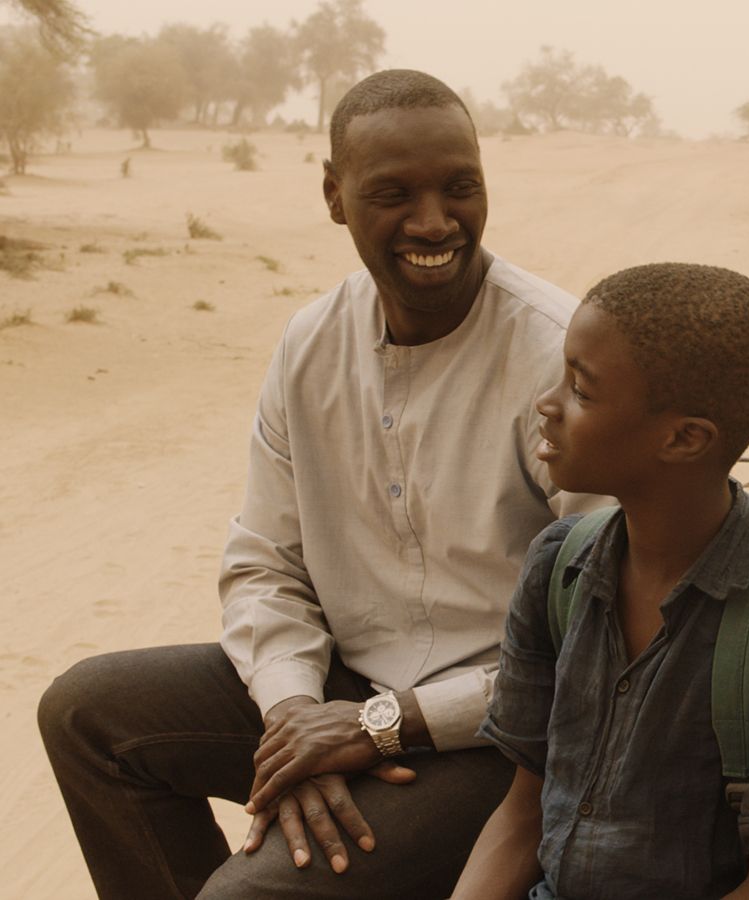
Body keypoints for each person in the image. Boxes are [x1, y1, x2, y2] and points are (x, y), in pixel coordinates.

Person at [38, 69, 603, 899]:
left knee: (244, 894)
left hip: (497, 736)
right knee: (88, 715)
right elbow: (265, 563)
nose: (435, 222)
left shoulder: (556, 356)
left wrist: (374, 729)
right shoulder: (311, 345)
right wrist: (294, 720)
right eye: (393, 193)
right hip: (340, 689)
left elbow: (599, 632)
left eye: (460, 188)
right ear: (335, 196)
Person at [451, 263, 749, 900]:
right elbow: (523, 814)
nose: (548, 404)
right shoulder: (557, 566)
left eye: (581, 390)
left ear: (685, 439)